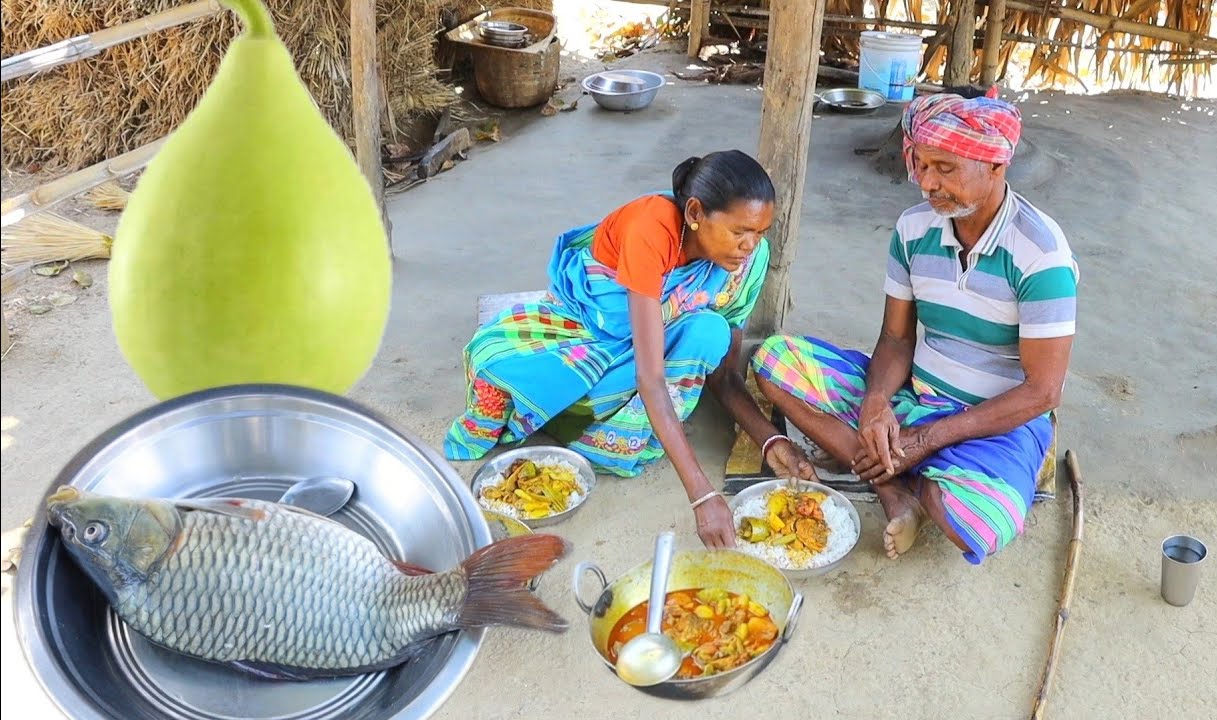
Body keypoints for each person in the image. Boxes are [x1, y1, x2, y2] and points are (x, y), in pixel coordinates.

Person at [751, 92, 1079, 565]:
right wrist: (875, 406)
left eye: (945, 168)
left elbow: (1044, 391)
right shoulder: (913, 229)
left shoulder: (1040, 253)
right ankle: (896, 491)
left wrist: (924, 440)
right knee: (774, 361)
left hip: (993, 423)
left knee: (976, 524)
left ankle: (905, 474)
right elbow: (895, 338)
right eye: (921, 165)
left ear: (995, 166)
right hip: (914, 396)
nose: (927, 182)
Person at [444, 150, 817, 549]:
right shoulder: (651, 229)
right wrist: (702, 494)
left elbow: (723, 374)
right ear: (695, 212)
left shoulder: (748, 262)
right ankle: (570, 414)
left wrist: (770, 441)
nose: (750, 246)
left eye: (760, 232)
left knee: (710, 331)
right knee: (504, 366)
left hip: (650, 340)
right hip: (597, 328)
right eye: (740, 231)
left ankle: (594, 425)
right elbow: (650, 378)